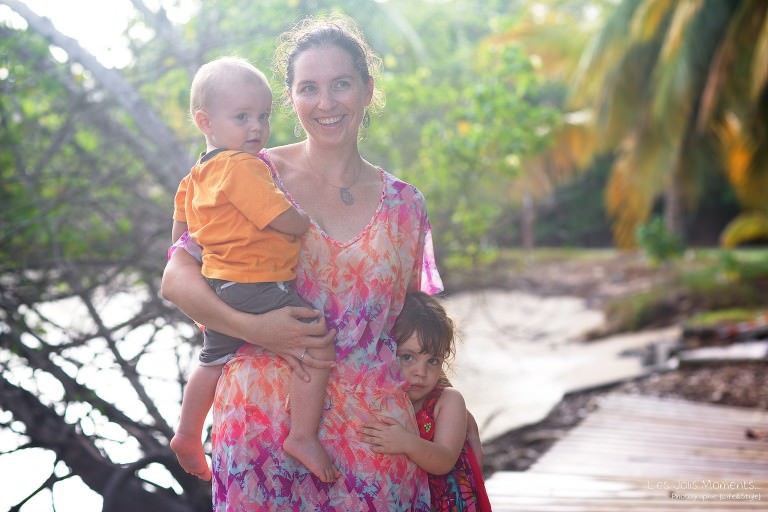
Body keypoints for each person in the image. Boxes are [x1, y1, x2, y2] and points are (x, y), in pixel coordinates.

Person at [161, 14, 443, 510]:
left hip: (376, 433)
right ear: (291, 98)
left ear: (367, 90)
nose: (326, 102)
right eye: (309, 88)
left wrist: (446, 410)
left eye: (341, 84)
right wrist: (255, 328)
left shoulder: (406, 205)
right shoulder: (248, 170)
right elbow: (176, 280)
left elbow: (413, 326)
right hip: (259, 425)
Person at [168, 56, 338, 483]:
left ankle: (187, 433)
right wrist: (302, 222)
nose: (256, 128)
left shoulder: (193, 178)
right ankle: (302, 435)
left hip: (220, 285)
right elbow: (277, 216)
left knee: (212, 360)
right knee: (316, 344)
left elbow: (179, 243)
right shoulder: (242, 165)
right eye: (242, 117)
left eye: (263, 116)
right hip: (259, 283)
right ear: (204, 121)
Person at [359, 291, 493, 511]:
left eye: (432, 361)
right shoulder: (381, 399)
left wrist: (407, 442)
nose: (420, 372)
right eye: (407, 357)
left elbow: (444, 460)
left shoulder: (448, 401)